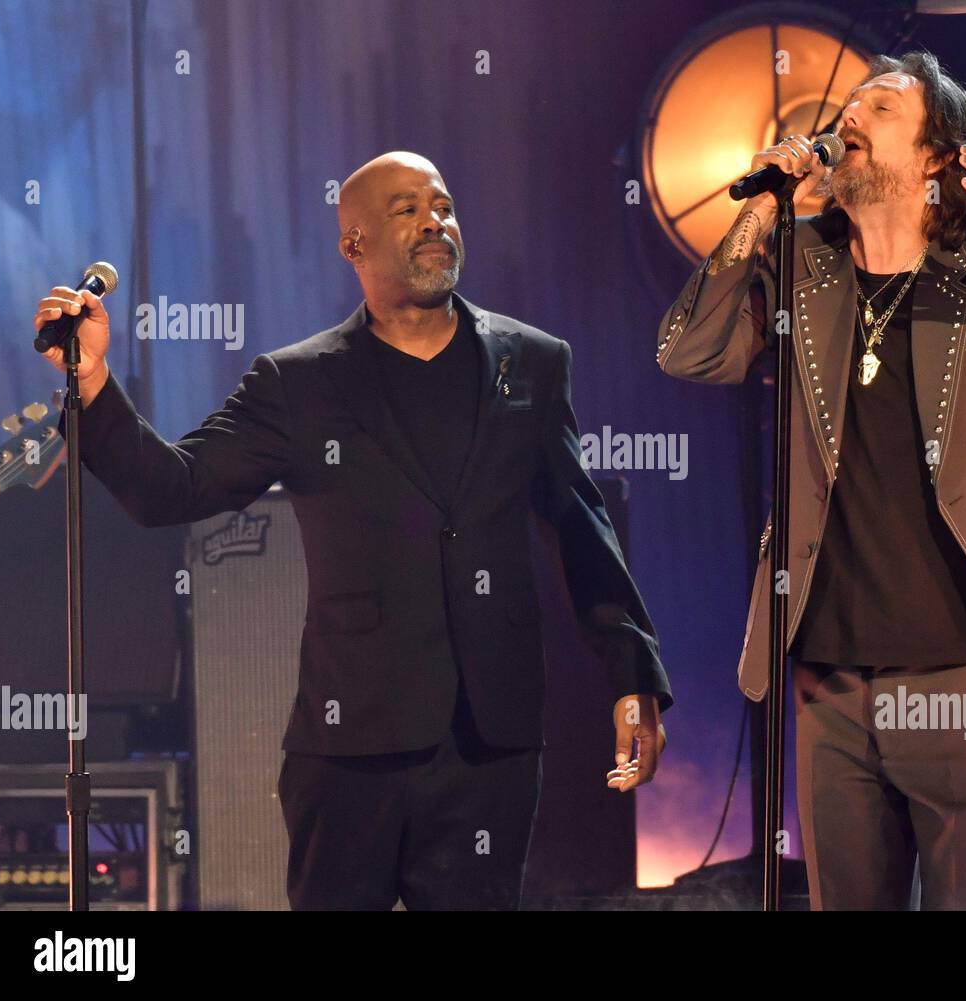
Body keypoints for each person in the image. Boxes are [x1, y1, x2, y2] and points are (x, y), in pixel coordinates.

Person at [35, 151, 671, 910]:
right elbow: (175, 486)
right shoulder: (298, 382)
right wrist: (95, 385)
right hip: (347, 753)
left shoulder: (531, 364)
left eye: (443, 204)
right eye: (406, 209)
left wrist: (632, 676)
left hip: (488, 751)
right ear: (355, 243)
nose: (434, 219)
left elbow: (580, 525)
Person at [655, 52, 966, 909]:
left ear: (935, 156)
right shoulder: (803, 263)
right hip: (830, 677)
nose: (847, 114)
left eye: (879, 106)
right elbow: (688, 351)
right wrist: (760, 213)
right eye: (846, 104)